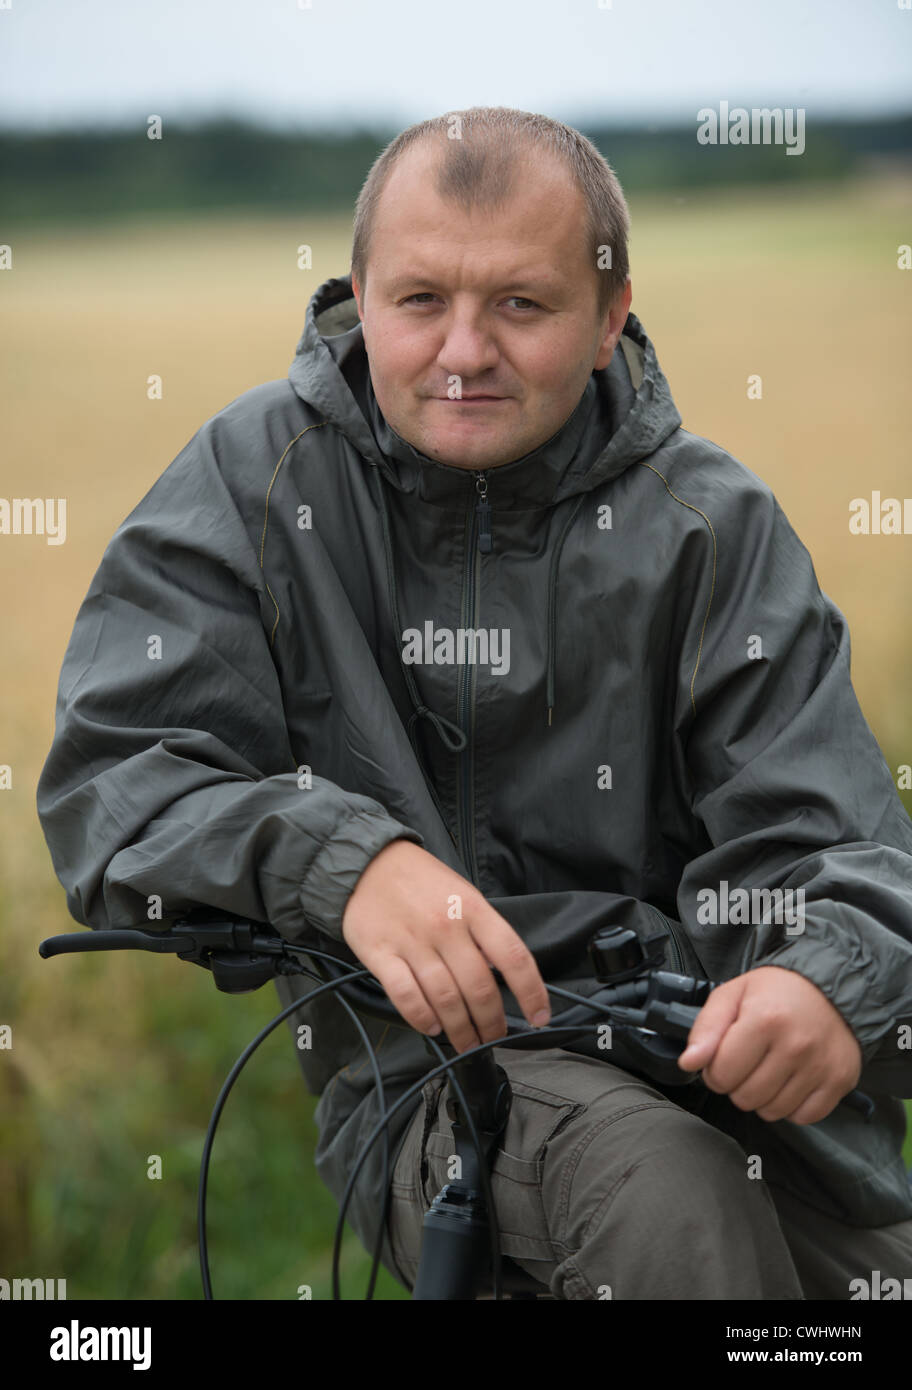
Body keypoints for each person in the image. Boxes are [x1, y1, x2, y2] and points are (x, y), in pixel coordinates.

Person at [36, 105, 912, 1300]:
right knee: (670, 1201)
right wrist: (345, 862)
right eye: (420, 301)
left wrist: (829, 977)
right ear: (358, 293)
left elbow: (838, 840)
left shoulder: (715, 525)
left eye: (520, 304)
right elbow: (113, 782)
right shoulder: (254, 483)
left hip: (717, 1076)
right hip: (432, 1083)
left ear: (610, 319)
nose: (463, 351)